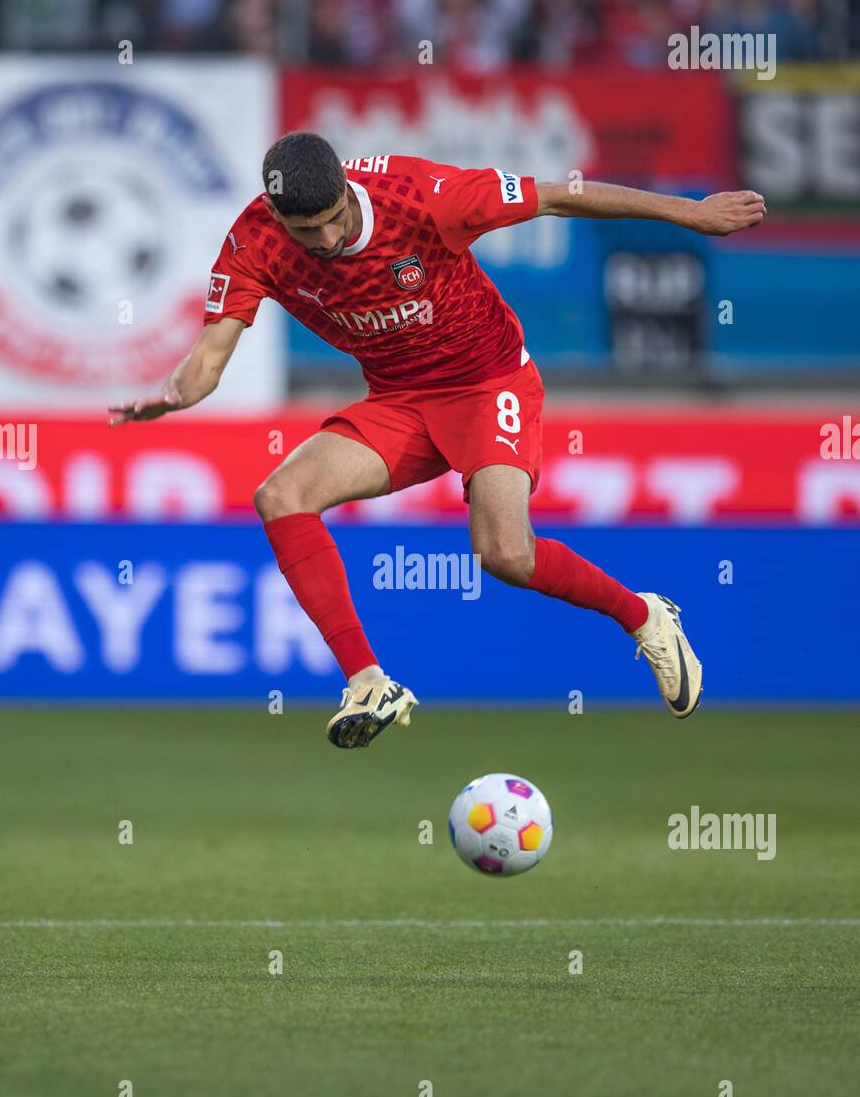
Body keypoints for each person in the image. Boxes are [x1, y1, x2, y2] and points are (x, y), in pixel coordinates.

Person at [110, 131, 766, 748]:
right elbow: (206, 361)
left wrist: (691, 213)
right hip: (398, 402)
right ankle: (368, 681)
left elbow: (564, 196)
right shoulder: (255, 243)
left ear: (345, 186)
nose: (328, 238)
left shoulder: (426, 196)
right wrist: (172, 395)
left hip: (489, 385)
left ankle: (646, 616)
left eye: (334, 218)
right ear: (278, 217)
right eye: (306, 230)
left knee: (505, 553)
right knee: (281, 495)